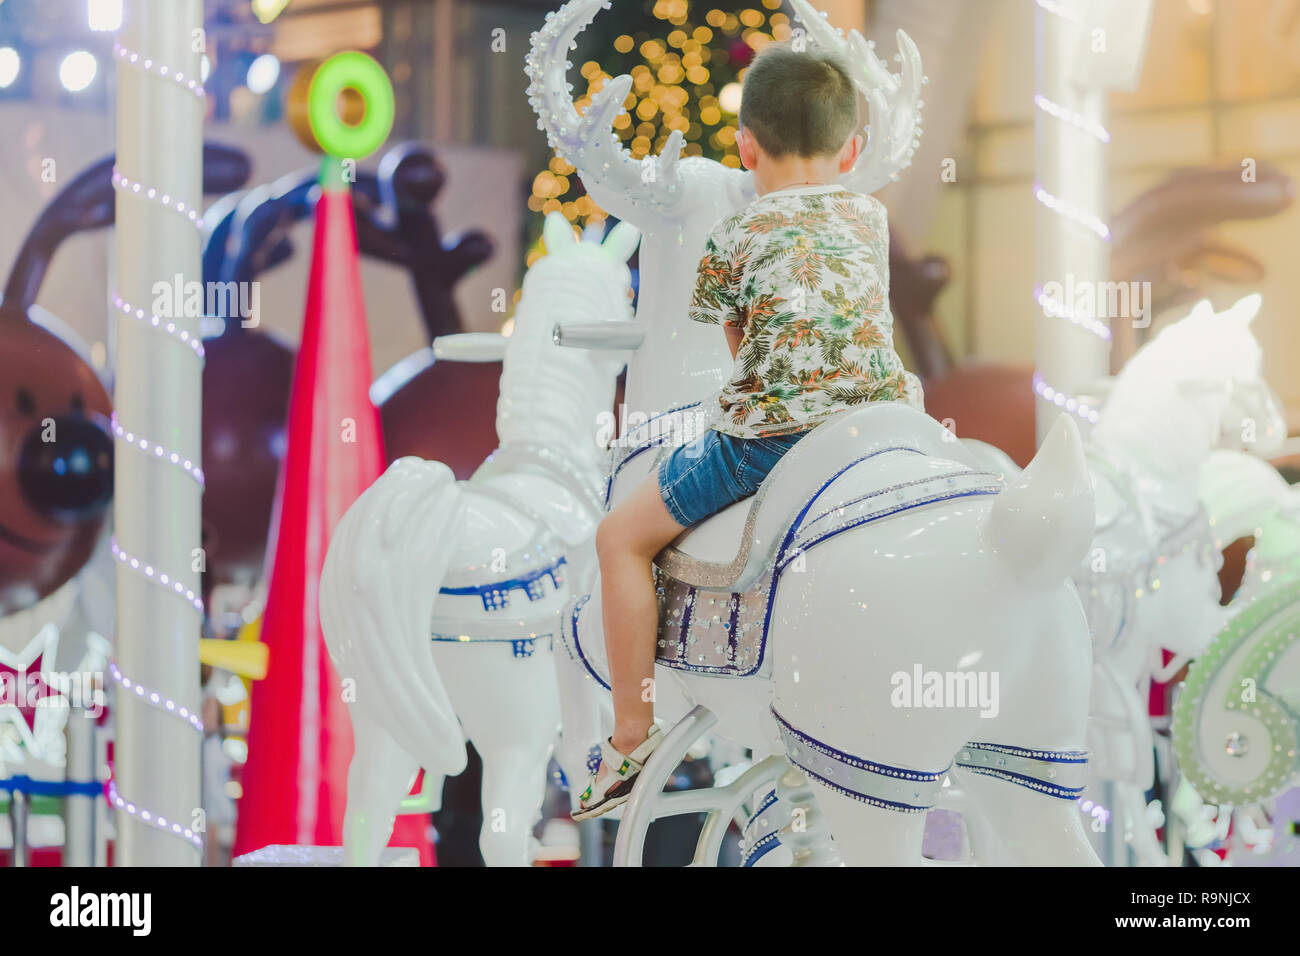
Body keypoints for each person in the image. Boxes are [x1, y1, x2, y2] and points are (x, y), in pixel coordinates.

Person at [574, 42, 923, 820]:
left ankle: (630, 736)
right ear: (854, 150)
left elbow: (739, 353)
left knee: (618, 540)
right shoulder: (870, 216)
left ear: (745, 148)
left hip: (769, 439)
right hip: (884, 425)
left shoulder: (730, 235)